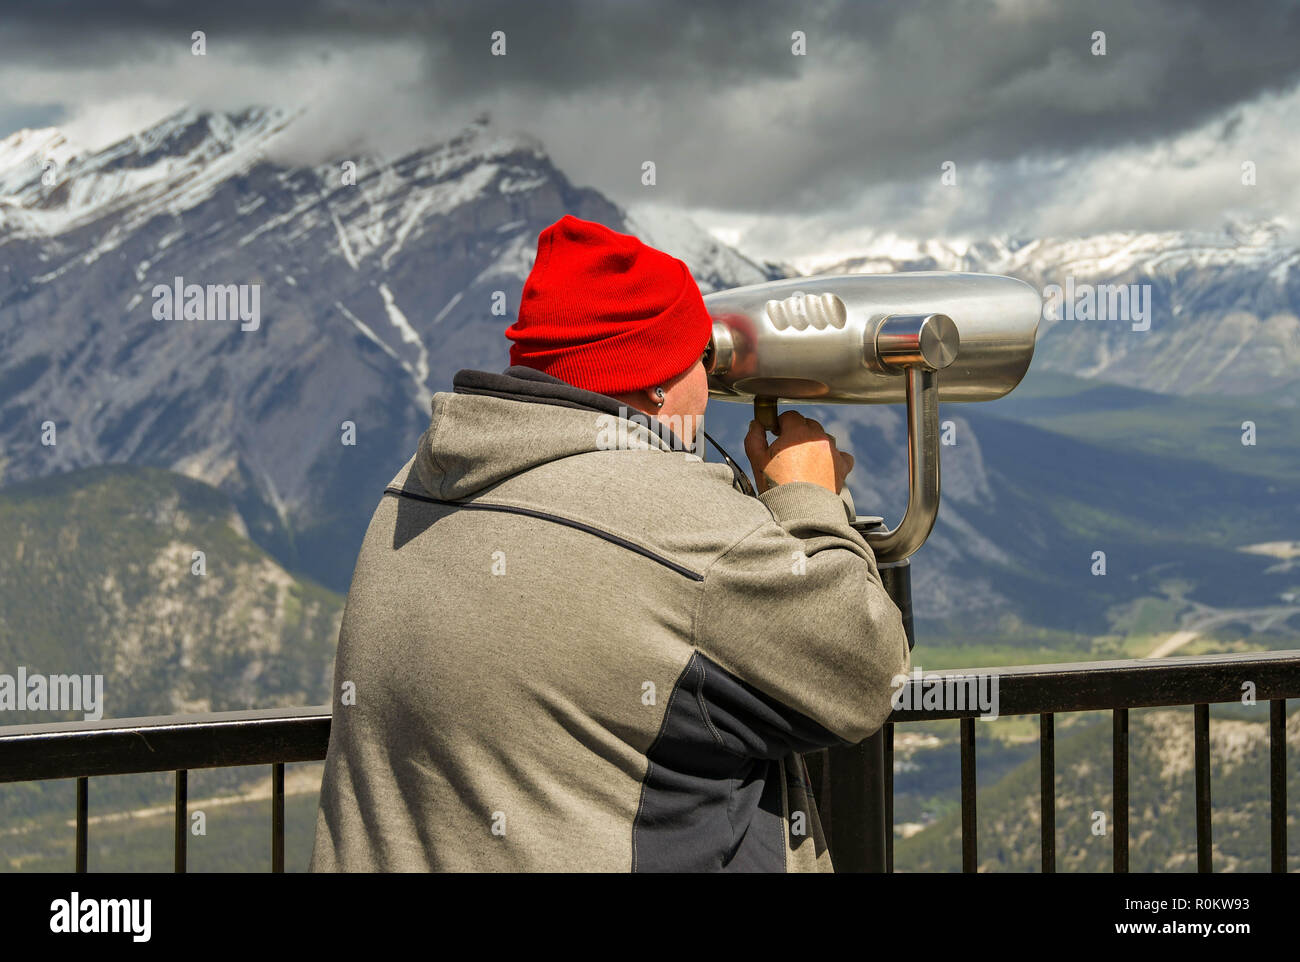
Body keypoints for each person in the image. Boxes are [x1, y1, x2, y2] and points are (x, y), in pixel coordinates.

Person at [310, 215, 910, 872]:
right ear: (656, 382)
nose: (709, 387)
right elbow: (865, 673)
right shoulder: (675, 525)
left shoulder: (416, 484)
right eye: (700, 362)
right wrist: (808, 502)